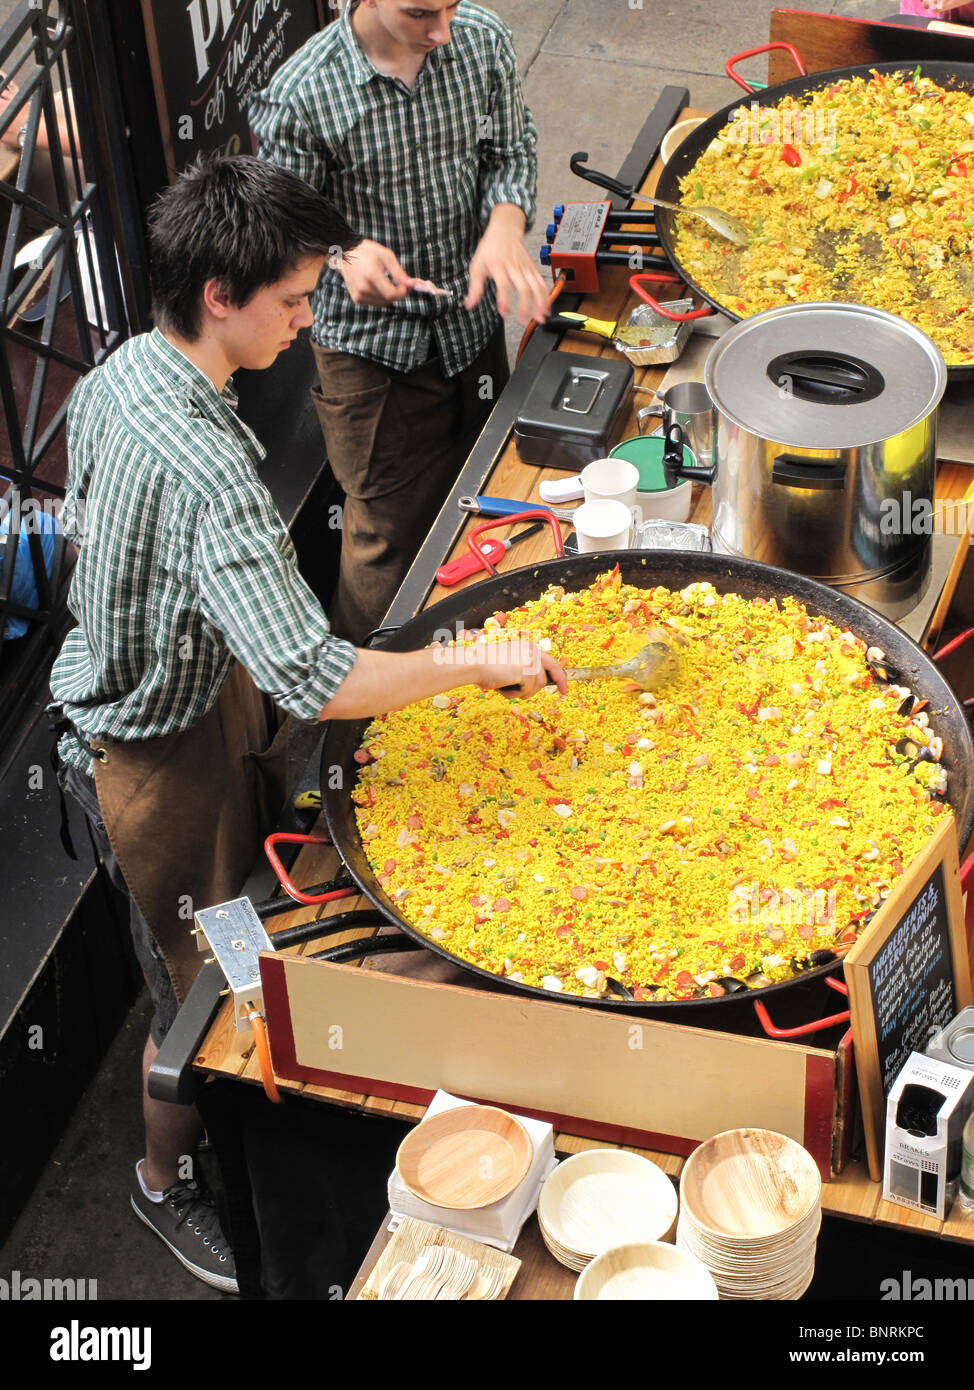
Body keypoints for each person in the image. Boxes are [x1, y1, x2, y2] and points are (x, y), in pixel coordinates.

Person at [48, 153, 566, 1295]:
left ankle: (260, 1004)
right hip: (147, 758)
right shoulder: (210, 470)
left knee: (248, 936)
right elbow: (315, 676)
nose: (308, 316)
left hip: (189, 689)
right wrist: (471, 662)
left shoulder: (127, 370)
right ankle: (164, 1178)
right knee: (202, 992)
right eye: (291, 299)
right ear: (220, 297)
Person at [250, 0, 550, 643]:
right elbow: (285, 227)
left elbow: (512, 149)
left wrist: (504, 225)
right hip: (371, 355)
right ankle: (360, 705)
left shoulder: (481, 40)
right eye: (420, 13)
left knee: (486, 499)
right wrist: (342, 252)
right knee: (386, 543)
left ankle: (467, 665)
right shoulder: (302, 95)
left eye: (448, 6)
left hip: (469, 327)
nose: (442, 30)